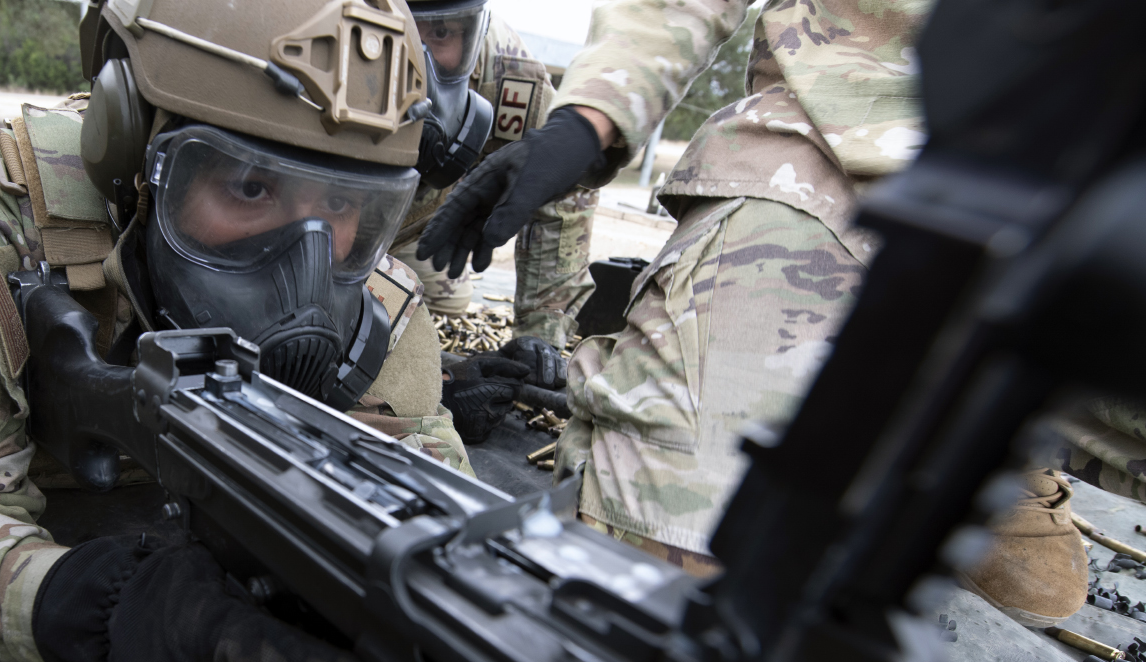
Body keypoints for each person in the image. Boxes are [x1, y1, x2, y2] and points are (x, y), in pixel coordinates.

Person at [0, 0, 467, 662]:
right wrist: (100, 610)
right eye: (250, 186)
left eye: (346, 203)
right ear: (130, 148)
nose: (311, 262)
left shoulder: (375, 299)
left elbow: (437, 514)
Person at [417, 0, 1101, 627]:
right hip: (837, 157)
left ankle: (958, 429)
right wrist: (593, 115)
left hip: (1102, 222)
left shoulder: (508, 68)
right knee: (663, 577)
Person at [399, 0, 588, 438]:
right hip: (347, 208)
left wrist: (541, 331)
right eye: (403, 25)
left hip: (419, 217)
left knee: (444, 302)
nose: (416, 56)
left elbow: (561, 196)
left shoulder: (513, 76)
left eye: (441, 33)